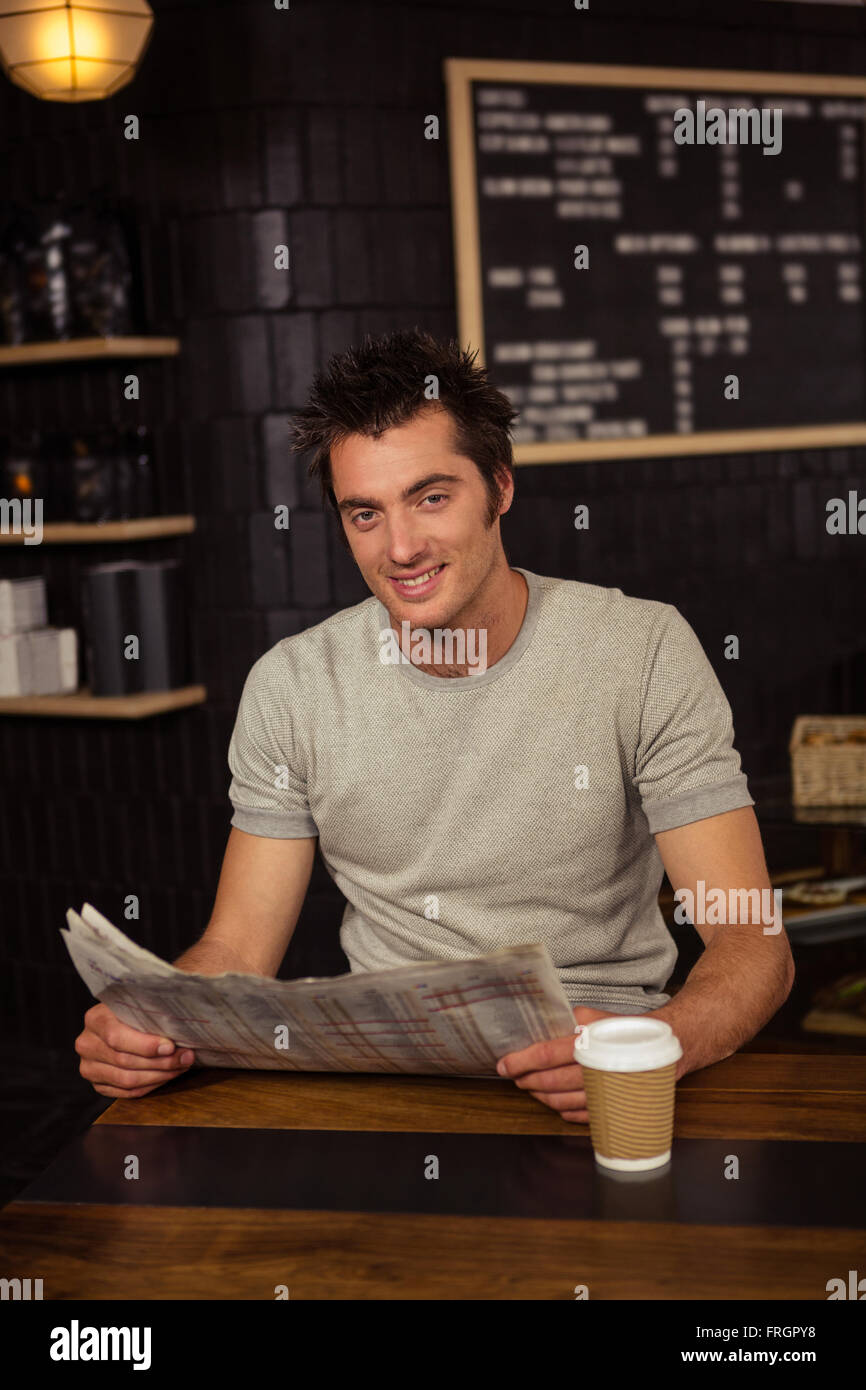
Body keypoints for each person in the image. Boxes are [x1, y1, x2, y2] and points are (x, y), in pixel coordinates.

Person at [76, 328, 794, 1120]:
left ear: (500, 487)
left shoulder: (641, 649)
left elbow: (749, 939)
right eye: (365, 514)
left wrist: (657, 1043)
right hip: (385, 1079)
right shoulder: (291, 685)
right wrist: (156, 1025)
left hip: (599, 1058)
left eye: (431, 496)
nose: (402, 547)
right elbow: (238, 950)